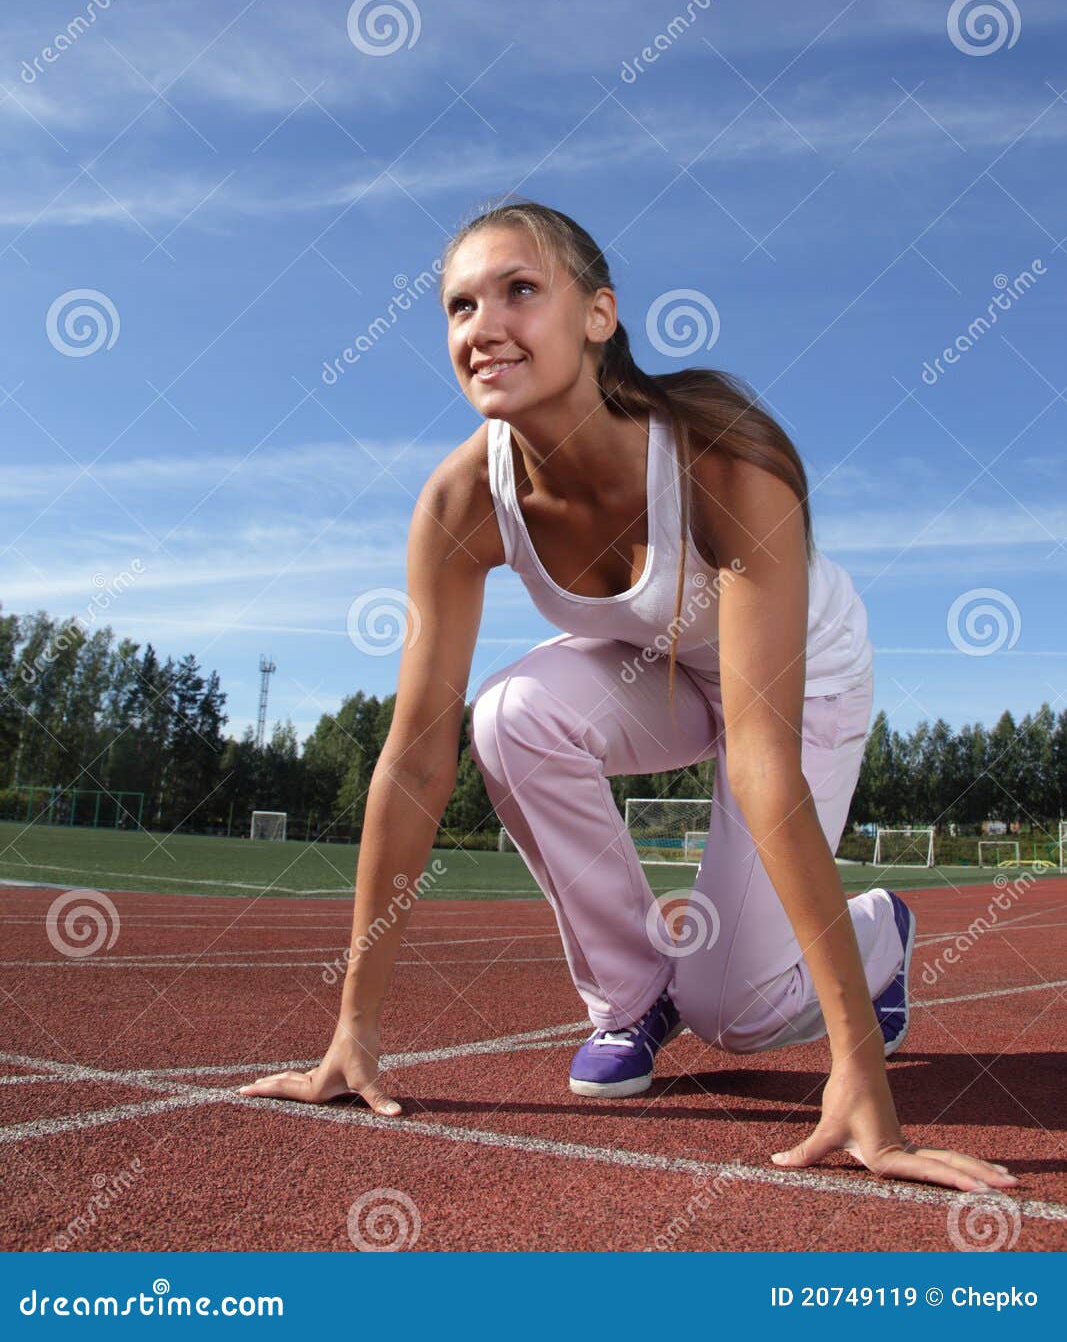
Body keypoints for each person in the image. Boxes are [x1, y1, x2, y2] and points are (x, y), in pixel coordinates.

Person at [242, 200, 1017, 1197]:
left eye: (520, 290)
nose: (484, 325)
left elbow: (759, 761)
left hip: (800, 674)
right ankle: (633, 996)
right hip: (656, 667)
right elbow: (414, 757)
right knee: (507, 716)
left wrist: (857, 1069)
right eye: (458, 305)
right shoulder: (458, 502)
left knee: (735, 1012)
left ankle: (876, 937)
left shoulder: (722, 460)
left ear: (597, 315)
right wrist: (352, 1028)